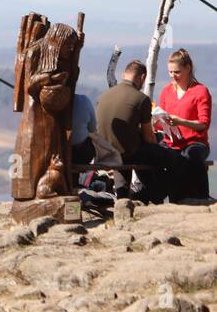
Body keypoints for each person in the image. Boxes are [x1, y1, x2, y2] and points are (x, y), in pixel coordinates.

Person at [96, 59, 182, 203]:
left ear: (124, 74)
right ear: (142, 78)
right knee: (174, 159)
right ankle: (155, 194)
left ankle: (124, 200)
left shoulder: (103, 96)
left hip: (106, 152)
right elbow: (149, 138)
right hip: (127, 153)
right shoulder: (141, 99)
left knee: (130, 157)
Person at [155, 48, 211, 201]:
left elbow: (203, 124)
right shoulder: (166, 91)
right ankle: (167, 198)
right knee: (155, 154)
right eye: (170, 72)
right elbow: (162, 125)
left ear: (188, 68)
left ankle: (201, 197)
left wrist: (180, 121)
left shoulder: (201, 91)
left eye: (177, 72)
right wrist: (155, 122)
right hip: (172, 143)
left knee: (189, 156)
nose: (173, 76)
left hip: (195, 143)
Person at [70, 91, 97, 166]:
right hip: (81, 155)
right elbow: (92, 128)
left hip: (57, 154)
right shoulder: (84, 101)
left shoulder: (48, 104)